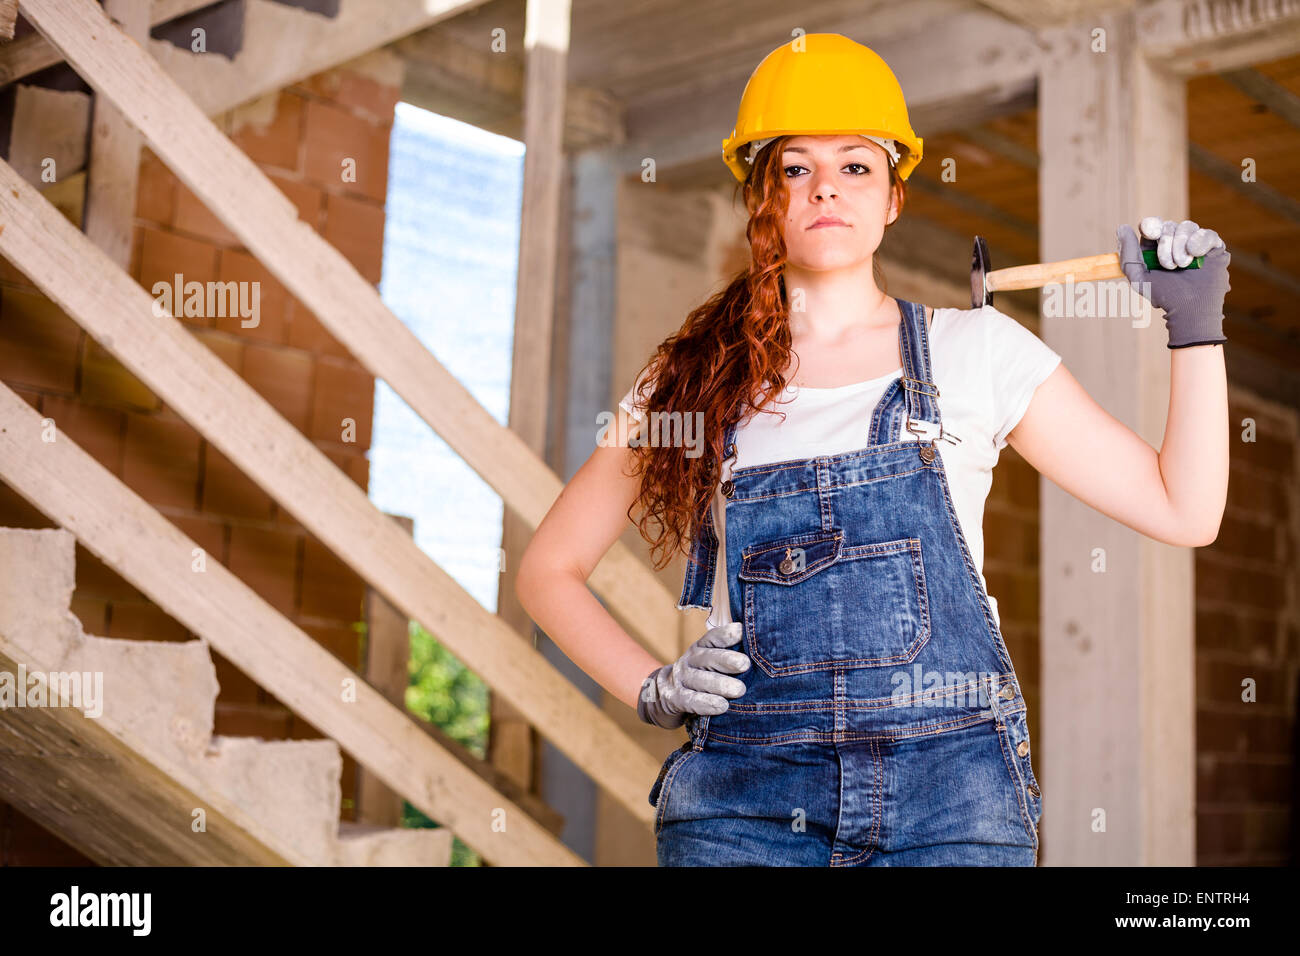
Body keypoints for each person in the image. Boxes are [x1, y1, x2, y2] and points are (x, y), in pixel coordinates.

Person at [515, 33, 1230, 867]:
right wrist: (654, 687)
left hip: (952, 794)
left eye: (856, 165)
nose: (826, 188)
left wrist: (1195, 326)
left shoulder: (979, 351)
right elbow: (547, 571)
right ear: (762, 194)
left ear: (893, 196)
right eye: (795, 167)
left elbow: (1186, 510)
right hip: (746, 795)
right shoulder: (692, 379)